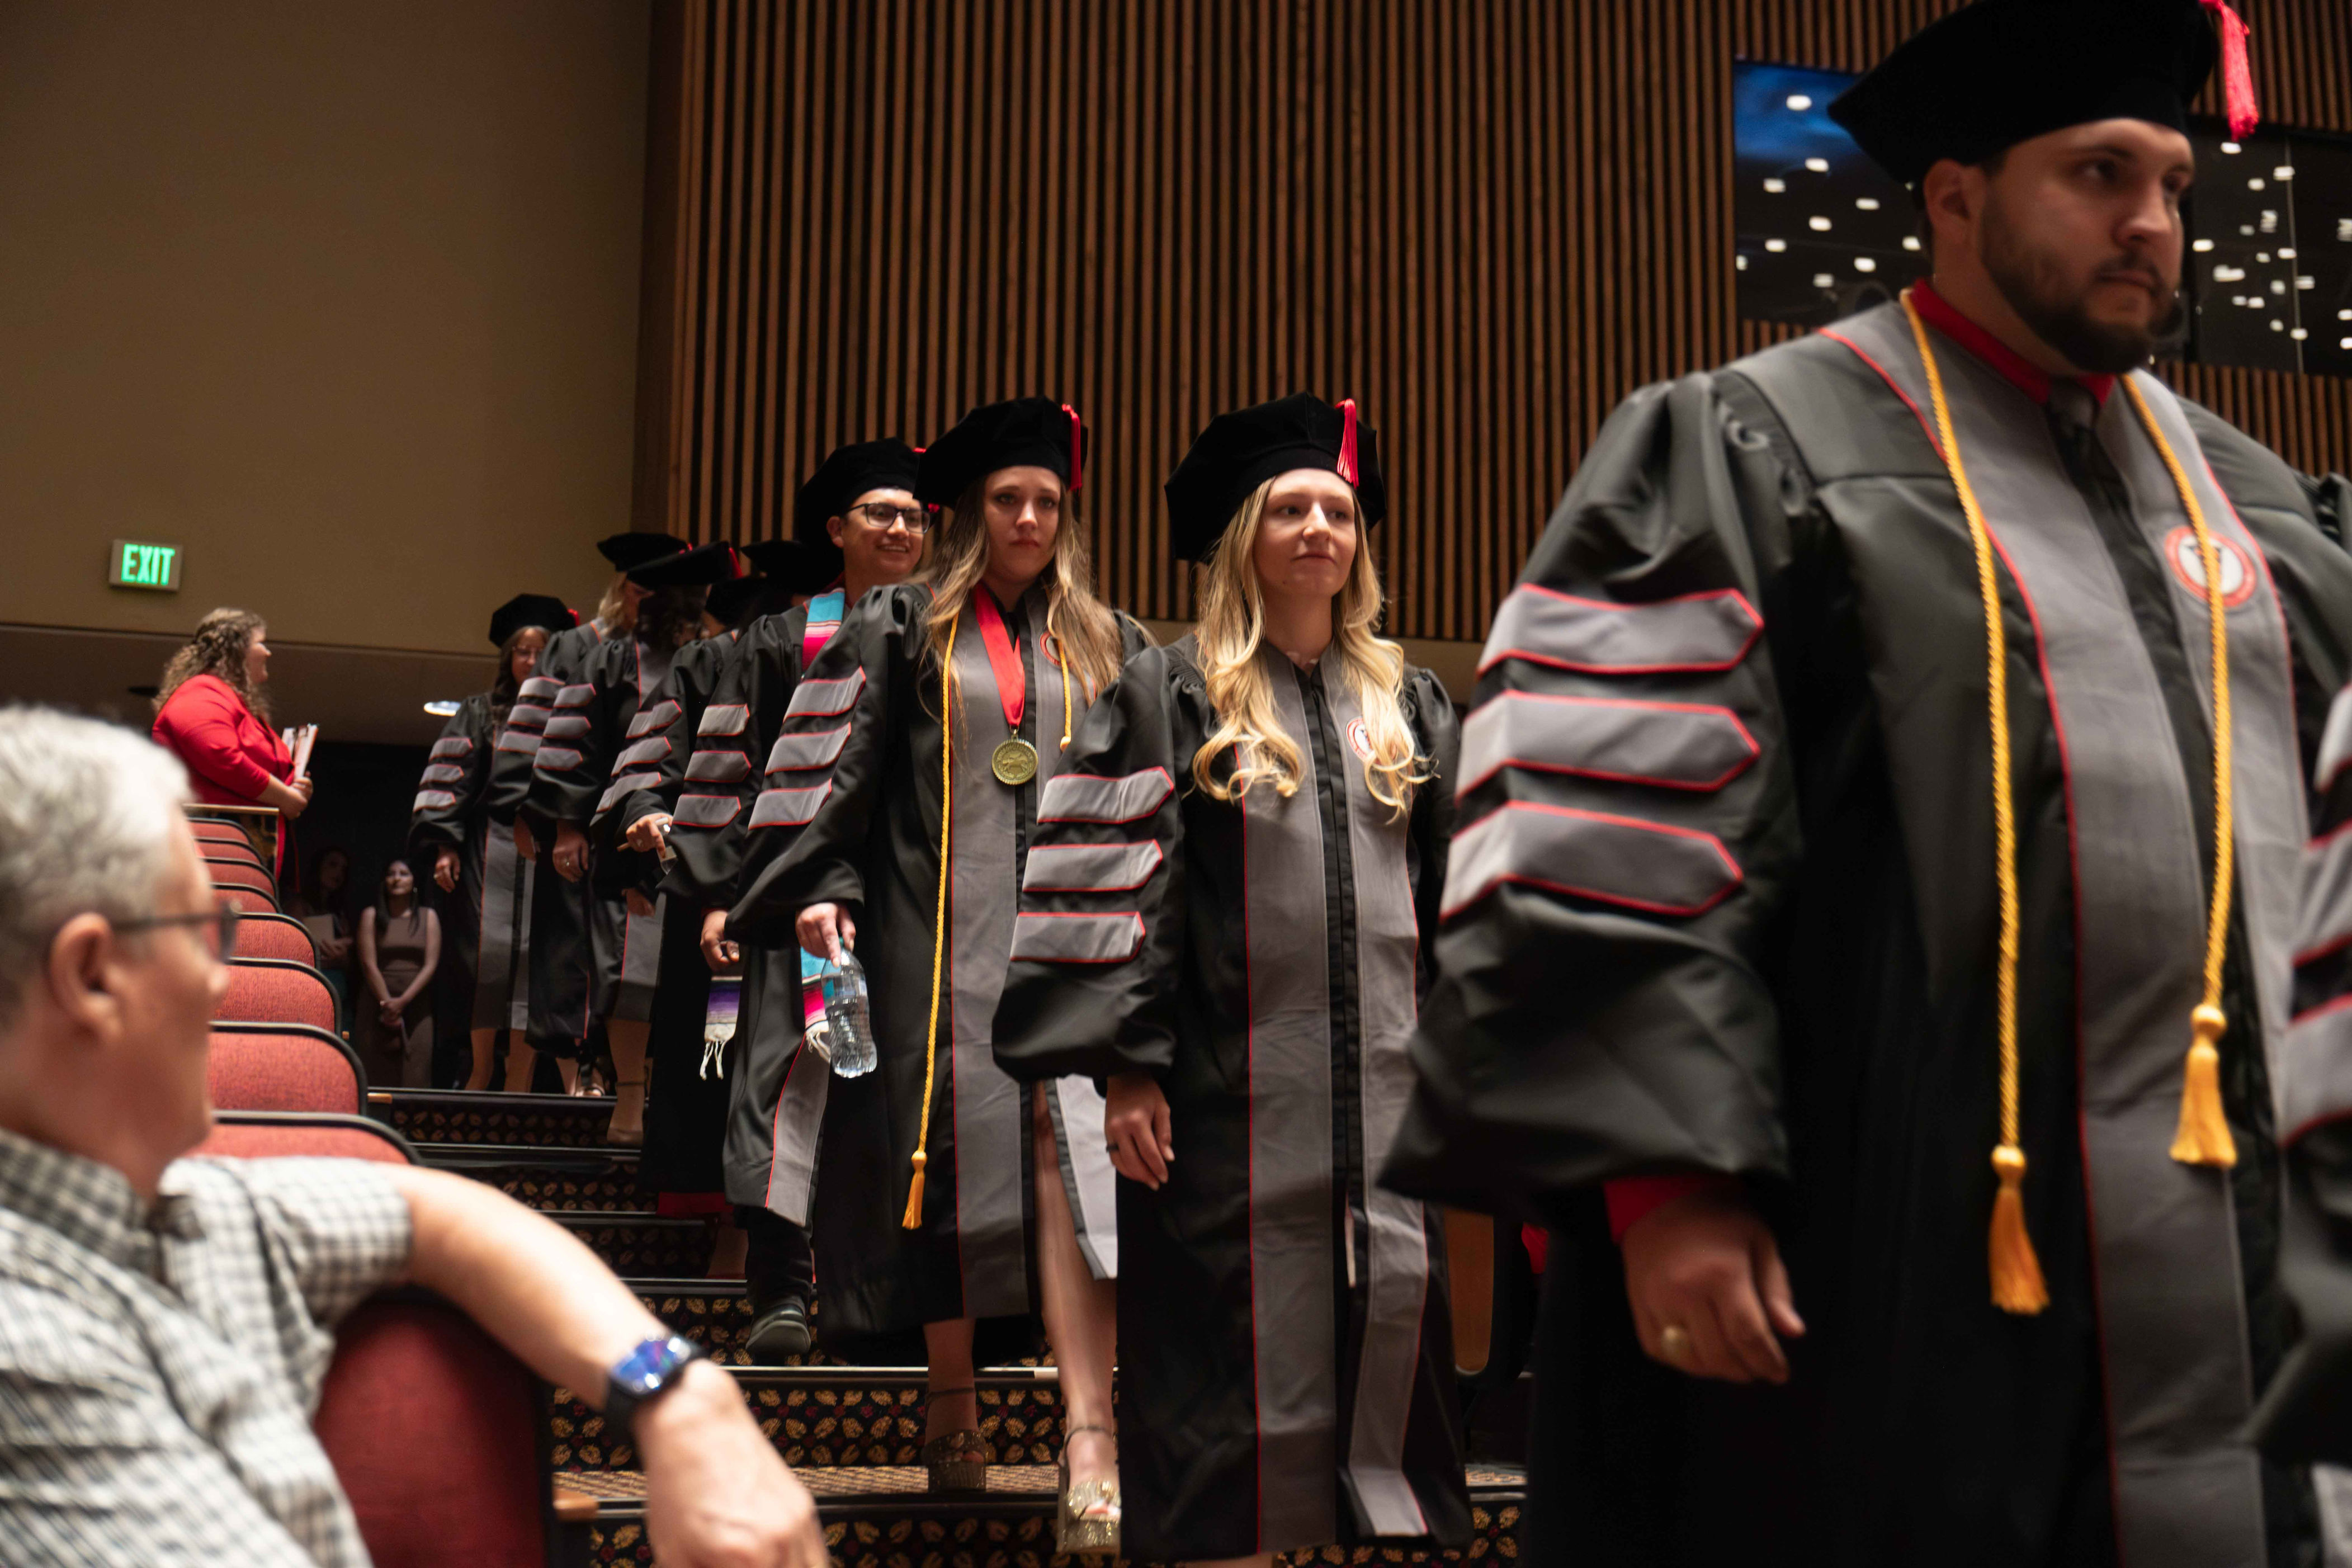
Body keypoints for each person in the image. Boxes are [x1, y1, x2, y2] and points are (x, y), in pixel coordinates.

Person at [1379, 3, 2352, 1565]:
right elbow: (1610, 816)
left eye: (2170, 182)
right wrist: (1661, 1183)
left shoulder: (2257, 509)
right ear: (1952, 194)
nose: (2152, 226)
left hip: (2250, 1272)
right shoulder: (1739, 449)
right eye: (2100, 174)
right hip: (1884, 1252)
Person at [0, 705, 827, 1568]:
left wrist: (687, 1402)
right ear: (91, 976)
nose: (221, 981)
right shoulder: (26, 1338)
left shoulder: (180, 1201)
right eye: (200, 933)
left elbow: (443, 1215)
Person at [993, 394, 1469, 1566]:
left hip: (1387, 1112)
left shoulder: (1408, 706)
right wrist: (1127, 1067)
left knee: (1384, 1374)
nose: (1320, 528)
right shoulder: (1172, 691)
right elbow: (1120, 890)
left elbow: (1456, 898)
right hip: (1223, 1107)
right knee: (1219, 1408)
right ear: (1245, 535)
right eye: (1292, 508)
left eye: (1340, 512)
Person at [730, 399, 1141, 1546]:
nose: (1027, 517)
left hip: (1075, 950)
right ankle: (951, 1398)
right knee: (945, 1167)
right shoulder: (900, 627)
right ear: (970, 514)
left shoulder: (1108, 641)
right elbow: (834, 776)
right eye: (1008, 499)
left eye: (1047, 501)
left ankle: (1088, 1428)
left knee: (1074, 1172)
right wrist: (821, 885)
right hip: (928, 945)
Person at [630, 438, 928, 1363]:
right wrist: (723, 894)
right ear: (837, 529)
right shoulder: (776, 640)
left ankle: (883, 1290)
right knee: (794, 1070)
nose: (901, 528)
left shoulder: (950, 632)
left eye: (915, 515)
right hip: (807, 899)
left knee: (888, 1082)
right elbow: (725, 767)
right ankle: (781, 1283)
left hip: (916, 903)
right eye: (880, 512)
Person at [527, 541, 736, 1145]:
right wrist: (569, 825)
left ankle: (666, 1101)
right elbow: (577, 743)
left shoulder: (725, 657)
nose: (693, 614)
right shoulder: (616, 657)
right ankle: (628, 1098)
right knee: (631, 970)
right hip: (630, 827)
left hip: (707, 828)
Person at [488, 535, 687, 1095]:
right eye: (635, 588)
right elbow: (541, 735)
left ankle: (628, 1080)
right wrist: (551, 821)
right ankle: (580, 1073)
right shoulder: (578, 644)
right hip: (576, 817)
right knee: (572, 952)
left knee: (640, 957)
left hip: (647, 821)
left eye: (656, 592)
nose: (642, 601)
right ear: (620, 587)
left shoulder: (678, 651)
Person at [410, 593, 572, 1091]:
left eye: (540, 652)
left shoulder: (570, 715)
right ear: (508, 658)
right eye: (522, 652)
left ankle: (518, 1080)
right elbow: (450, 779)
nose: (530, 661)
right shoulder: (482, 712)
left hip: (548, 856)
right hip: (490, 852)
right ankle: (482, 1070)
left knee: (533, 962)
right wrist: (445, 845)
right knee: (489, 961)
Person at [150, 607, 311, 872]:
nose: (268, 652)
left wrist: (296, 788)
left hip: (235, 853)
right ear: (236, 650)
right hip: (211, 855)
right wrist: (284, 797)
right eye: (261, 644)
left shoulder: (233, 703)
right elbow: (222, 757)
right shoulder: (202, 692)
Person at [355, 859, 440, 1089]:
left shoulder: (427, 916)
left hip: (416, 1004)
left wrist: (402, 1002)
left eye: (404, 873)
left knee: (417, 1074)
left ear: (414, 881)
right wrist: (387, 1004)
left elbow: (431, 965)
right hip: (376, 1002)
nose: (396, 878)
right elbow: (368, 963)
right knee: (374, 1075)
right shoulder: (371, 916)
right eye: (391, 874)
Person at [289, 845, 355, 1033]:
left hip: (340, 997)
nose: (338, 873)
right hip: (310, 992)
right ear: (318, 868)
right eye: (333, 865)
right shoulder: (298, 906)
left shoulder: (339, 913)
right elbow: (292, 954)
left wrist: (344, 958)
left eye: (344, 869)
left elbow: (348, 963)